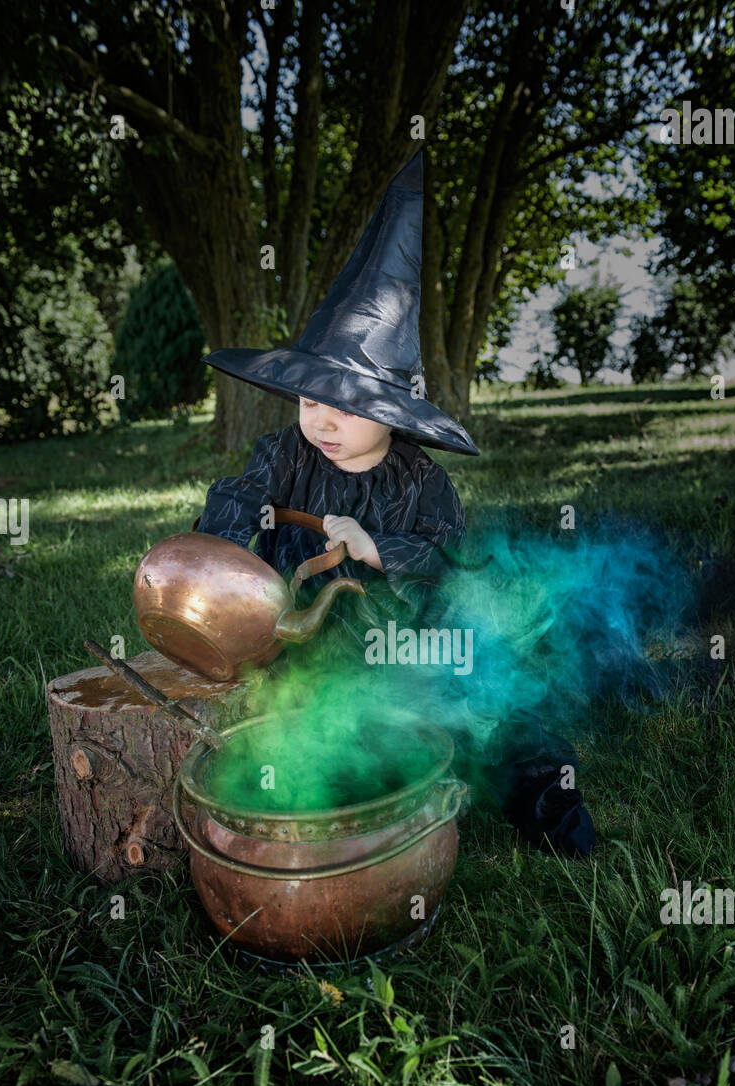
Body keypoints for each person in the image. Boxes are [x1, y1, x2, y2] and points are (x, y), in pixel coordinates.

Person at [196, 152, 594, 858]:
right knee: (320, 737)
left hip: (407, 652)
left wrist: (378, 547)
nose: (321, 420)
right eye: (310, 399)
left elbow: (449, 565)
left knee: (498, 709)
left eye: (347, 408)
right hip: (302, 654)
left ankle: (542, 808)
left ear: (393, 416)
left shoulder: (423, 484)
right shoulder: (283, 458)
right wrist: (221, 553)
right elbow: (238, 499)